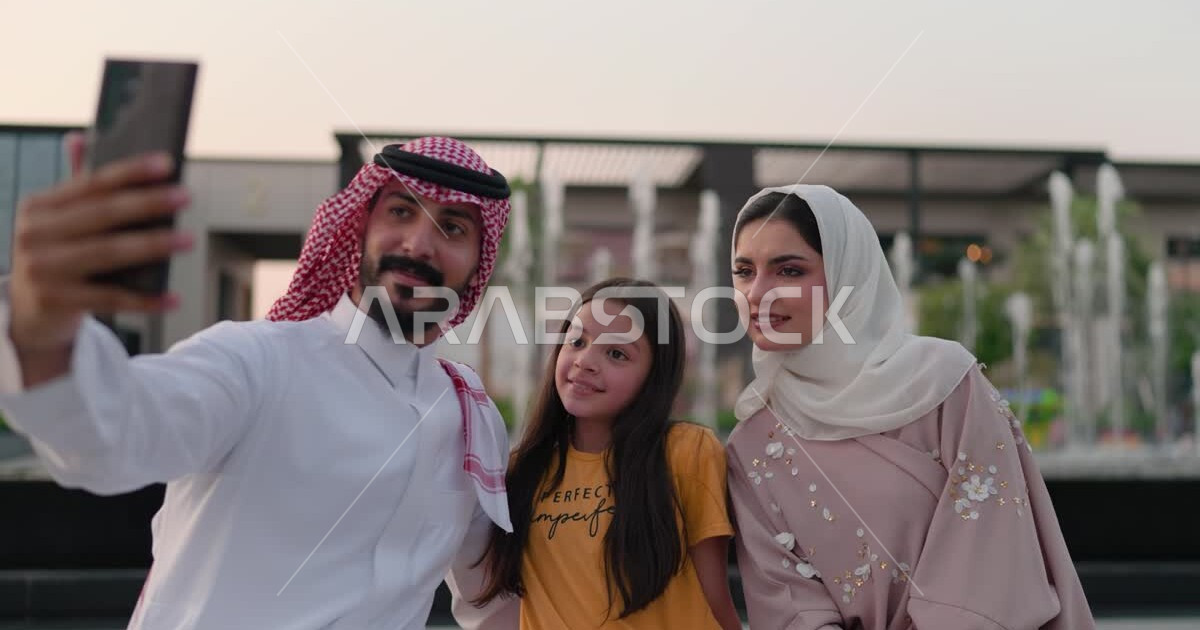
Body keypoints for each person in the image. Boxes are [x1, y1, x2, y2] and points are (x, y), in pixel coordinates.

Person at [0, 135, 515, 629]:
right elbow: (112, 437)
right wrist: (42, 335)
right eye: (401, 212)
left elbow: (495, 602)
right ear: (358, 227)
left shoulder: (471, 417)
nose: (419, 244)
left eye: (452, 228)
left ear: (478, 267)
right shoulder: (256, 362)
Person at [725, 186, 1095, 629]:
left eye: (789, 270)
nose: (758, 293)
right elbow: (789, 606)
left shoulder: (945, 384)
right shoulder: (752, 444)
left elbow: (993, 552)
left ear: (846, 277)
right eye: (744, 272)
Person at [461, 278, 742, 630]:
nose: (585, 362)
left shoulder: (687, 451)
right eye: (577, 342)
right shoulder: (525, 469)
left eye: (616, 354)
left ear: (653, 376)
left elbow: (717, 598)